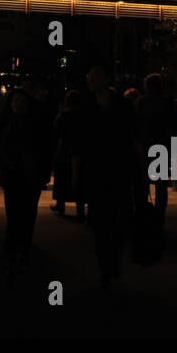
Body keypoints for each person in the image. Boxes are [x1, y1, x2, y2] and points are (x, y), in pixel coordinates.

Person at [75, 66, 141, 287]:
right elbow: (81, 143)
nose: (91, 80)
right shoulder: (87, 107)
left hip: (120, 171)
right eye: (89, 77)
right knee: (101, 224)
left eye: (95, 76)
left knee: (120, 221)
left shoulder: (122, 105)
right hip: (97, 173)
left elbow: (134, 136)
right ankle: (106, 266)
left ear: (106, 79)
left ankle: (111, 261)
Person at [0, 77, 56, 277]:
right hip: (13, 177)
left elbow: (44, 151)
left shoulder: (34, 125)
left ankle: (20, 254)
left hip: (29, 178)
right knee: (15, 217)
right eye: (16, 102)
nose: (19, 105)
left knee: (26, 218)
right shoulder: (7, 125)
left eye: (22, 102)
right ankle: (13, 255)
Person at [134, 73, 177, 234]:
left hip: (146, 146)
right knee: (161, 186)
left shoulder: (142, 102)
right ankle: (159, 217)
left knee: (142, 184)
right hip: (163, 146)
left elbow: (136, 125)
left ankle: (141, 216)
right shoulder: (168, 102)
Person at [51, 90, 86, 220]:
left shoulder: (64, 114)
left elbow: (56, 130)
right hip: (81, 148)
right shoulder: (84, 113)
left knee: (62, 177)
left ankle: (60, 205)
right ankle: (80, 209)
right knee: (79, 180)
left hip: (65, 148)